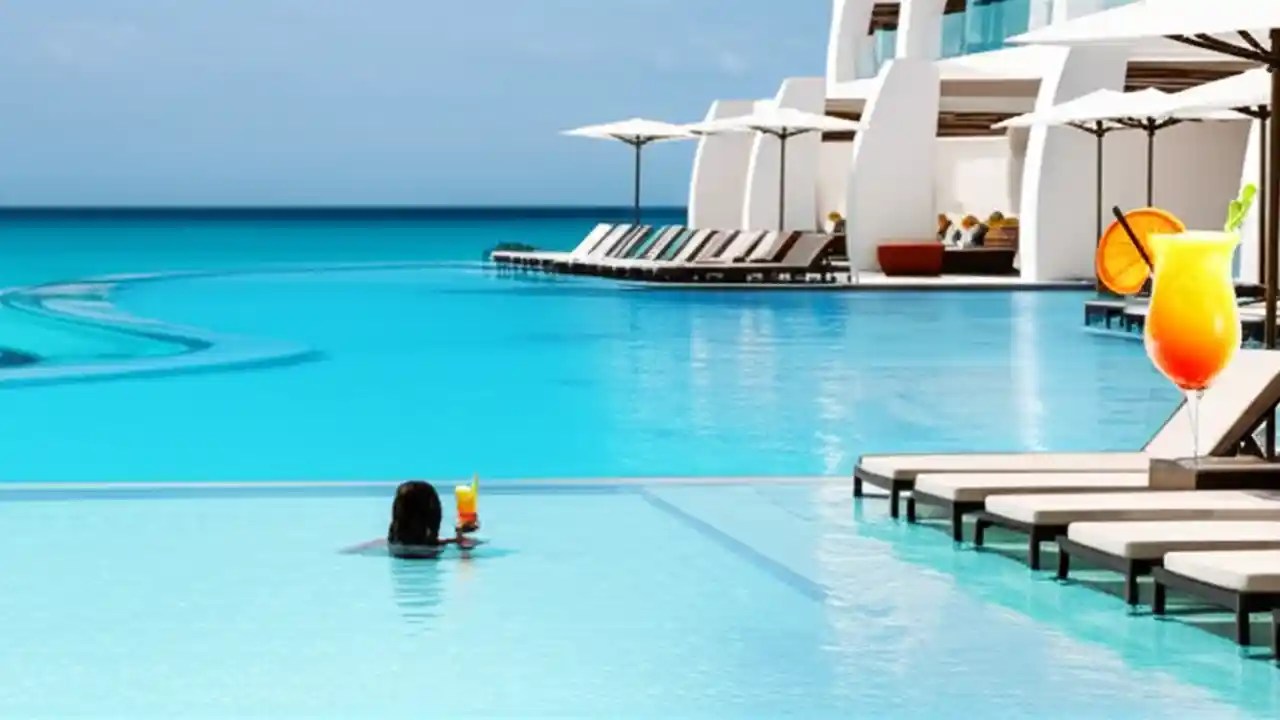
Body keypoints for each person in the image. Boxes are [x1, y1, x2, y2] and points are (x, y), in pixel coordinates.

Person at [386, 481, 477, 558]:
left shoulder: (389, 545)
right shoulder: (430, 551)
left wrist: (458, 536)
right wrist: (464, 542)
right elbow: (466, 563)